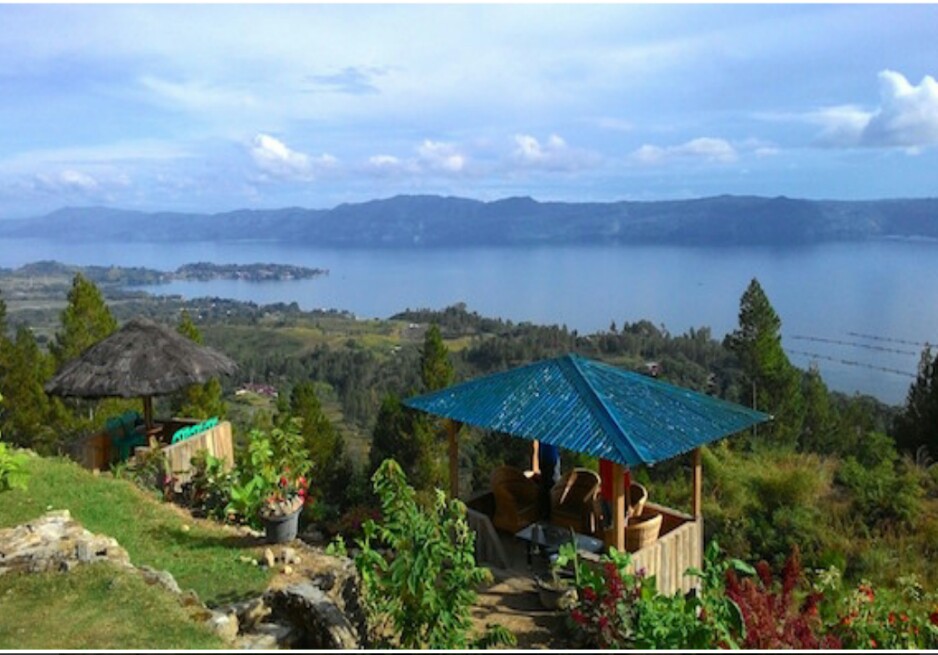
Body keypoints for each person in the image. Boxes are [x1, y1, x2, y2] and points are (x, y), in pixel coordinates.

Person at [533, 440, 561, 518]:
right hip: (550, 458)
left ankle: (545, 513)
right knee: (550, 485)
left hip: (545, 457)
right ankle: (549, 514)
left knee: (545, 485)